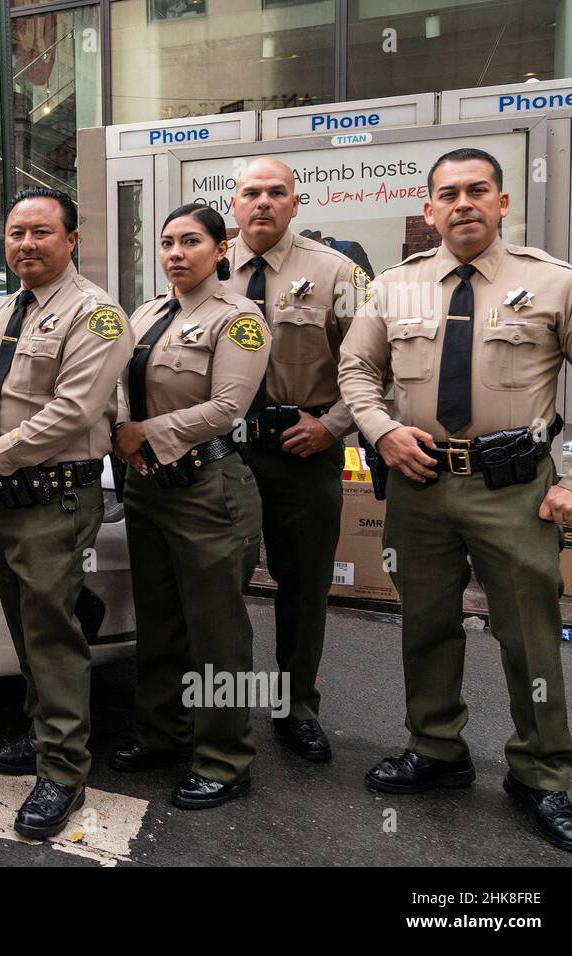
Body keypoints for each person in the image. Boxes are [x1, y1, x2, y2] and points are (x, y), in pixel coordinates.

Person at [338, 147, 572, 855]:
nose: (463, 203)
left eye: (478, 190)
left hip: (513, 489)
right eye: (448, 193)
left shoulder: (557, 284)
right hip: (418, 484)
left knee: (528, 633)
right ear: (429, 209)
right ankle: (437, 749)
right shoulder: (395, 287)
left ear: (503, 202)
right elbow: (356, 368)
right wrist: (382, 432)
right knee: (425, 624)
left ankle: (540, 775)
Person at [0, 188, 134, 839]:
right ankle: (43, 733)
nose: (26, 244)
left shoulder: (97, 314)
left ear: (71, 240)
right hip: (0, 498)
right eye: (16, 232)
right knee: (29, 629)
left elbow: (76, 409)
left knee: (52, 634)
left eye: (41, 233)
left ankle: (63, 773)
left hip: (53, 498)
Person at [110, 203, 269, 808]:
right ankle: (161, 732)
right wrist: (129, 430)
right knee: (159, 619)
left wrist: (145, 434)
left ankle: (226, 759)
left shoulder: (240, 318)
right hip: (149, 485)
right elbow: (119, 385)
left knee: (217, 631)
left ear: (221, 248)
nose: (176, 253)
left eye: (192, 242)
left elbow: (228, 407)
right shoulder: (147, 312)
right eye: (168, 242)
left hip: (209, 490)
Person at [225, 157, 367, 761]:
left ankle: (295, 708)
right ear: (233, 203)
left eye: (276, 192)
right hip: (223, 454)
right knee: (218, 587)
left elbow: (371, 365)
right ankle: (217, 713)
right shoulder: (206, 265)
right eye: (251, 193)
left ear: (295, 202)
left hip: (301, 451)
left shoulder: (338, 272)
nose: (263, 203)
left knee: (303, 588)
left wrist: (333, 426)